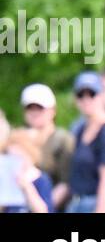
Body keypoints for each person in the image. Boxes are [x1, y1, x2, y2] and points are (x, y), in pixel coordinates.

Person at [66, 72, 105, 213]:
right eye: (81, 95)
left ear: (102, 96)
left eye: (92, 94)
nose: (86, 99)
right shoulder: (79, 129)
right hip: (78, 204)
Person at [20, 82, 74, 210]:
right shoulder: (19, 140)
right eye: (30, 108)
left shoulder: (62, 139)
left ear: (52, 111)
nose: (35, 112)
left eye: (40, 108)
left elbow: (66, 182)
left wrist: (45, 207)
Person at [2, 125, 53, 213]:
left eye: (19, 158)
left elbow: (43, 210)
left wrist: (27, 187)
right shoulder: (8, 178)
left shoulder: (41, 179)